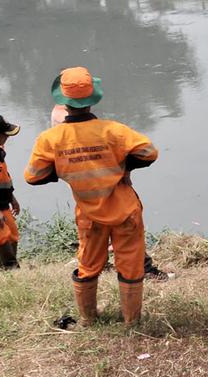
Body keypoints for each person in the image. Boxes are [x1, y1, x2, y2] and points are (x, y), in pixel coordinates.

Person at [23, 67, 159, 326]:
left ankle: (88, 319)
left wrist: (66, 169)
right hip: (126, 210)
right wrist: (124, 167)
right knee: (131, 265)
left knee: (88, 264)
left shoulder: (50, 139)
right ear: (93, 99)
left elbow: (33, 176)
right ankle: (132, 322)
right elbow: (149, 152)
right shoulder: (113, 131)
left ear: (63, 101)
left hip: (89, 214)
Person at [51, 103, 171, 281]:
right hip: (106, 186)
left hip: (85, 187)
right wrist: (124, 169)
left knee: (94, 230)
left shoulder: (61, 117)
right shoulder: (67, 119)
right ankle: (141, 269)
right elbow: (140, 152)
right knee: (125, 226)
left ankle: (100, 269)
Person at [0, 114, 22, 270]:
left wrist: (12, 197)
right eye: (4, 134)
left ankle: (7, 270)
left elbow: (3, 178)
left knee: (12, 234)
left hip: (2, 202)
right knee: (0, 235)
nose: (7, 137)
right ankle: (11, 269)